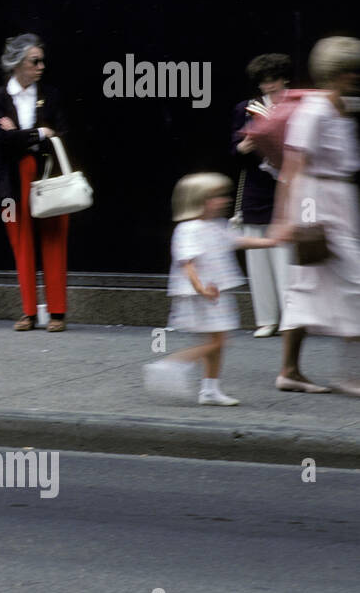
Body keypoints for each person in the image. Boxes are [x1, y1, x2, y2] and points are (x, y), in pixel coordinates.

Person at [267, 36, 360, 396]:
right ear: (332, 74)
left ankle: (289, 371)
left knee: (306, 288)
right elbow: (293, 165)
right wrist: (285, 217)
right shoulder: (316, 111)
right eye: (346, 71)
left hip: (338, 198)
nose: (353, 76)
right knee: (353, 284)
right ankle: (350, 375)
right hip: (317, 201)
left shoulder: (342, 105)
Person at [143, 173, 277, 406]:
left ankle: (209, 389)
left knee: (219, 340)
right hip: (203, 295)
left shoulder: (217, 225)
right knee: (217, 342)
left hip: (217, 291)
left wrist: (271, 242)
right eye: (216, 196)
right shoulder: (189, 229)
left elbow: (239, 241)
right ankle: (171, 365)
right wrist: (201, 289)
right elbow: (188, 263)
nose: (223, 200)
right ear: (198, 200)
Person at [0, 34, 72, 332]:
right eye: (34, 61)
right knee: (19, 241)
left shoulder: (51, 94)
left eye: (41, 61)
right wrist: (37, 134)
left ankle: (57, 312)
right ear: (17, 64)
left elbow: (60, 132)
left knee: (54, 237)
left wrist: (21, 134)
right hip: (10, 183)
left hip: (48, 174)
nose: (40, 66)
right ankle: (28, 312)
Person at [232, 53, 295, 337]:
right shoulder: (247, 109)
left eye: (274, 80)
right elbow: (233, 148)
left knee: (285, 258)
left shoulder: (298, 106)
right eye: (264, 82)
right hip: (257, 188)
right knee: (258, 260)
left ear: (285, 79)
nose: (269, 87)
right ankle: (266, 318)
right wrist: (243, 147)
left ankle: (290, 318)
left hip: (288, 187)